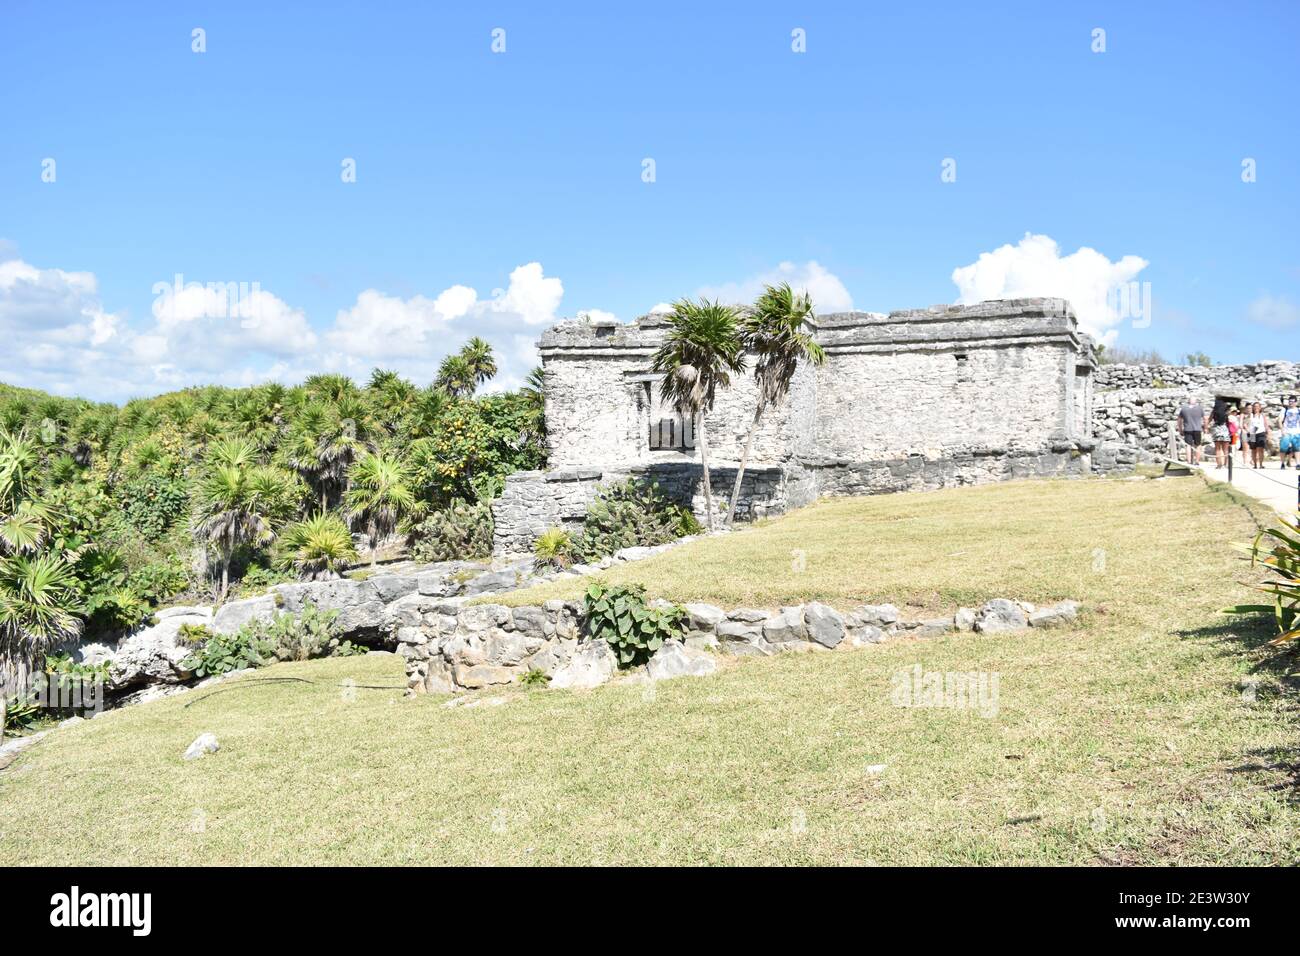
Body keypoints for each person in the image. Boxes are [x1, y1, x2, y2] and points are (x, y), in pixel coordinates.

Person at [1175, 396, 1205, 464]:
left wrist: (1180, 429)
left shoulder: (1184, 409)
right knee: (1198, 445)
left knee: (1188, 445)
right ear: (1195, 401)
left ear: (1189, 401)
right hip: (1197, 429)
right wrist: (1205, 427)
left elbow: (1179, 420)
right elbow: (1204, 418)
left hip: (1187, 429)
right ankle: (1197, 461)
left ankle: (1189, 461)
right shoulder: (1200, 409)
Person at [1247, 401, 1270, 469]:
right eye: (1254, 406)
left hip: (1261, 433)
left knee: (1260, 449)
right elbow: (1245, 423)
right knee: (1253, 450)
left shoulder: (1262, 415)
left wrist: (1268, 433)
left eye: (1257, 406)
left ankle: (1261, 464)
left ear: (1260, 408)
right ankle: (1255, 464)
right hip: (1252, 433)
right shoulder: (1250, 415)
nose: (1256, 408)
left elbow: (1266, 424)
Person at [1210, 398, 1231, 469]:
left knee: (1217, 448)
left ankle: (1219, 464)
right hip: (1224, 429)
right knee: (1225, 449)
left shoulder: (1214, 411)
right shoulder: (1226, 412)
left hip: (1216, 429)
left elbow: (1209, 420)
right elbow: (1229, 421)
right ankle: (1226, 464)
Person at [1280, 396, 1300, 469]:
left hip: (1296, 432)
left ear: (1296, 402)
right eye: (1289, 401)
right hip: (1286, 431)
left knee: (1297, 448)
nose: (1290, 403)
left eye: (1292, 401)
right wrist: (1282, 430)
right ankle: (1282, 463)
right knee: (1283, 448)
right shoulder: (1285, 410)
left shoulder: (1298, 410)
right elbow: (1279, 420)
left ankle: (1298, 464)